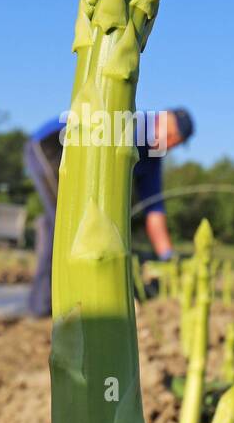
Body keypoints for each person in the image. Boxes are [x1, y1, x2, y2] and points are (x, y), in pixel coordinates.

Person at [23, 107, 194, 317]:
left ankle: (54, 305)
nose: (169, 144)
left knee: (61, 228)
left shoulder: (152, 159)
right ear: (161, 119)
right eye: (170, 136)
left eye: (173, 143)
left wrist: (169, 257)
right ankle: (46, 307)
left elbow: (154, 210)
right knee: (64, 228)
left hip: (82, 167)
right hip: (54, 146)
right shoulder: (132, 123)